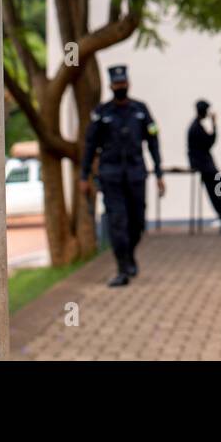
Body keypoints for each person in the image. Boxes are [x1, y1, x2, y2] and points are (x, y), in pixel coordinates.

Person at [79, 65, 165, 287]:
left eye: (123, 83)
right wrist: (84, 176)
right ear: (111, 86)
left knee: (137, 222)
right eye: (117, 84)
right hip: (111, 176)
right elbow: (90, 146)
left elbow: (153, 141)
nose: (121, 87)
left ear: (128, 84)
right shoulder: (101, 113)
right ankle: (122, 268)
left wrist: (158, 172)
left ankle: (129, 256)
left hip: (136, 174)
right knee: (118, 222)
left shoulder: (141, 109)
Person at [187, 100, 221, 234]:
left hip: (206, 166)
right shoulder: (196, 128)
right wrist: (214, 124)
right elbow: (209, 142)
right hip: (205, 166)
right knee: (219, 191)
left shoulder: (197, 126)